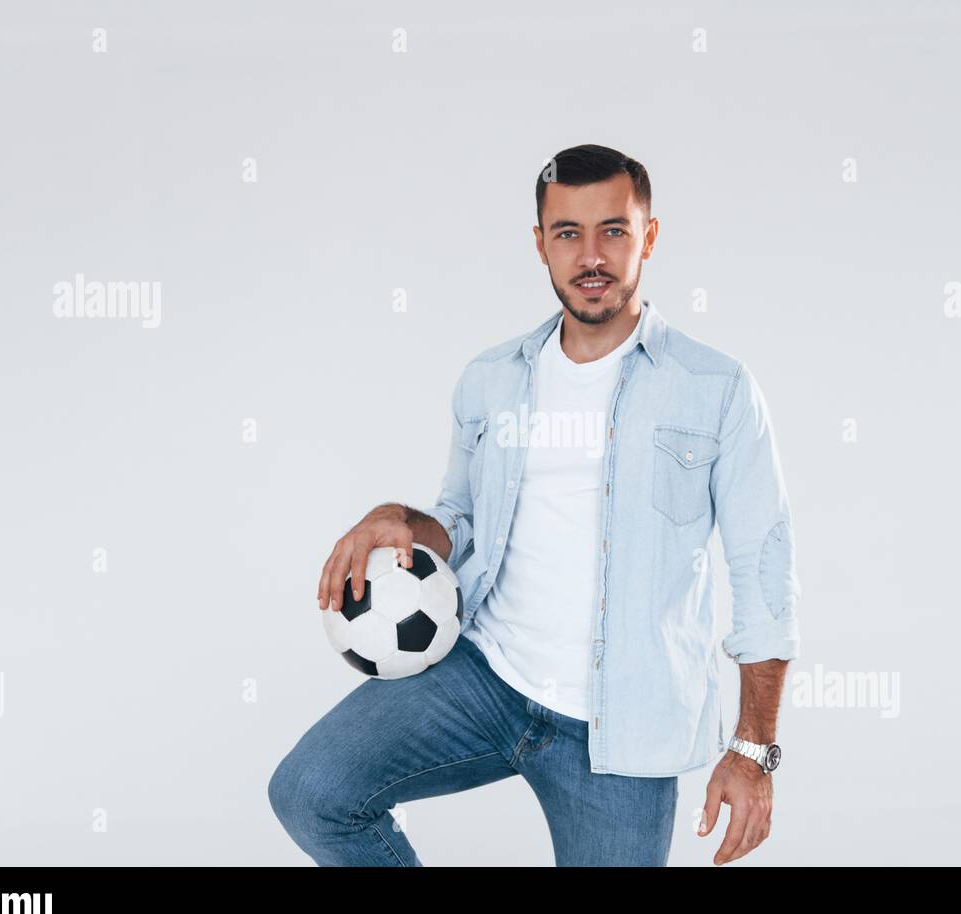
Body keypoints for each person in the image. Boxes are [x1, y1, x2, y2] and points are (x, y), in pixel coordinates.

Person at [268, 144, 801, 866]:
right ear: (540, 244)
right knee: (312, 792)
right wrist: (400, 517)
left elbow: (763, 575)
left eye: (614, 230)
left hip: (621, 732)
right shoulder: (490, 381)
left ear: (649, 235)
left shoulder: (717, 389)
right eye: (567, 233)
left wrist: (753, 749)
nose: (591, 256)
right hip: (487, 679)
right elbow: (457, 519)